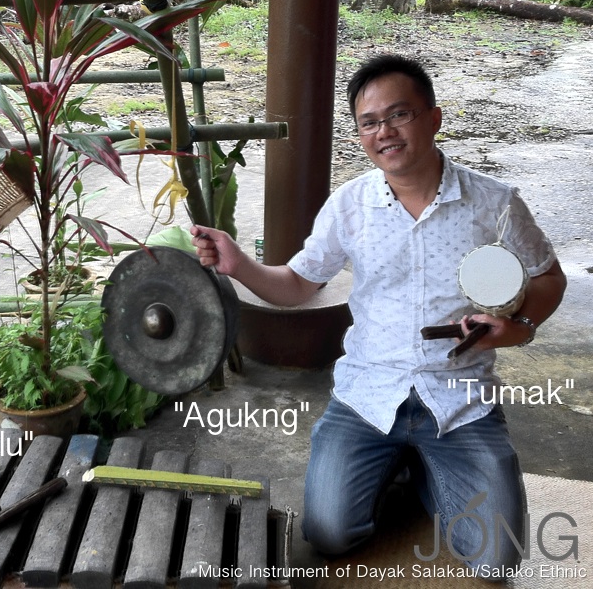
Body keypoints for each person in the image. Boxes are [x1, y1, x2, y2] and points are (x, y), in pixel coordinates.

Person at [191, 54, 566, 577]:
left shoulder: (495, 203)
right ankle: (398, 464)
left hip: (459, 395)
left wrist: (519, 327)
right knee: (328, 534)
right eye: (369, 122)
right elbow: (298, 284)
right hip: (367, 393)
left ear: (433, 117)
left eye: (399, 115)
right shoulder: (350, 205)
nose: (384, 132)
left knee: (496, 558)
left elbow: (548, 277)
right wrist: (239, 265)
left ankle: (422, 473)